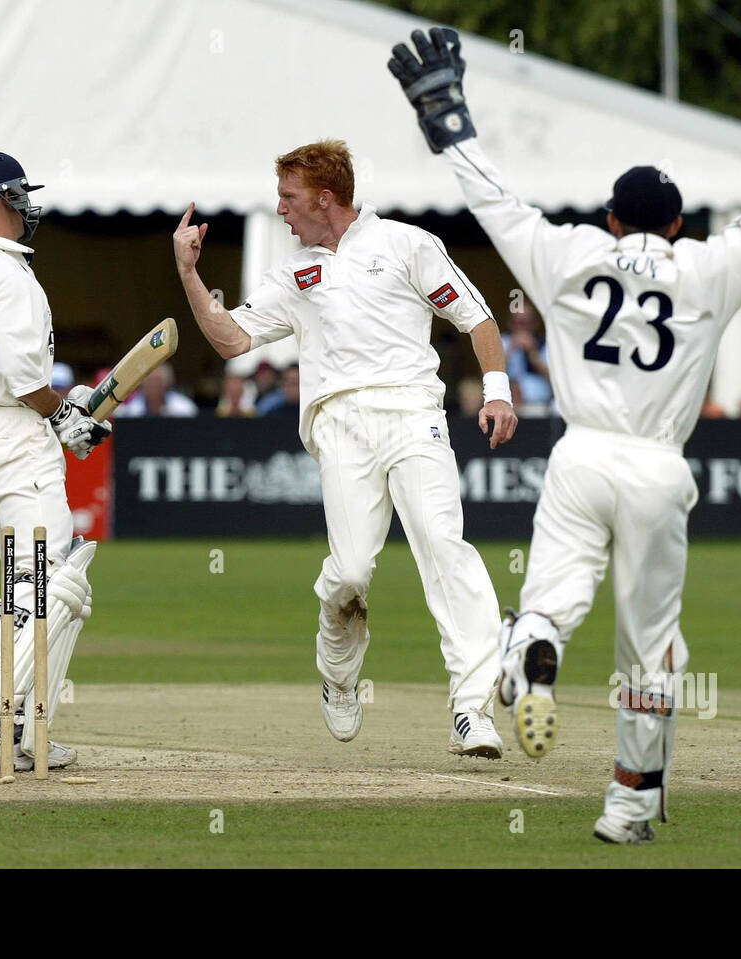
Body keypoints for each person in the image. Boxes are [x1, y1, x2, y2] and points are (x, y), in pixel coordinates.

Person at [388, 28, 741, 841]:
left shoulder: (565, 254)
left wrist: (447, 115)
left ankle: (530, 644)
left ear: (609, 218)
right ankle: (629, 802)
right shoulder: (707, 267)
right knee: (651, 651)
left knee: (552, 601)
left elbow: (494, 199)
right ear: (673, 225)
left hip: (581, 452)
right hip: (658, 466)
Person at [173, 139, 518, 758]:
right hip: (339, 424)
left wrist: (497, 392)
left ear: (324, 197)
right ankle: (337, 670)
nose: (279, 209)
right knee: (353, 570)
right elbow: (230, 340)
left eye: (288, 197)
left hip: (414, 413)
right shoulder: (294, 272)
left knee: (444, 547)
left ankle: (472, 709)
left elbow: (479, 318)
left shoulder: (407, 245)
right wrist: (190, 275)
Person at [0, 150, 110, 773]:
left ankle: (25, 732)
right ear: (4, 199)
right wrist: (66, 418)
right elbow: (24, 376)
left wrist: (68, 408)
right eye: (21, 195)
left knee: (38, 586)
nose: (28, 206)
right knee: (48, 582)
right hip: (13, 439)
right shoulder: (9, 276)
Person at [501, 304, 551, 410]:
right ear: (510, 323)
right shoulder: (502, 342)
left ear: (535, 324)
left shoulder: (546, 344)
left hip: (538, 404)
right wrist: (511, 350)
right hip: (506, 403)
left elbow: (553, 379)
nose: (521, 328)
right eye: (517, 323)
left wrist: (532, 352)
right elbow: (487, 374)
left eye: (525, 323)